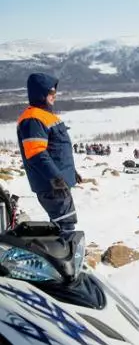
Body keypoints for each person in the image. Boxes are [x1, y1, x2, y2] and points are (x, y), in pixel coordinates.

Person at [16, 73, 82, 234]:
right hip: (50, 185)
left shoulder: (45, 115)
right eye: (50, 93)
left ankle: (64, 254)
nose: (54, 96)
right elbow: (36, 153)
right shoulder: (33, 119)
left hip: (57, 183)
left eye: (55, 92)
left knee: (64, 222)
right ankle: (64, 256)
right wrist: (56, 177)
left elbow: (57, 150)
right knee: (65, 224)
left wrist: (70, 173)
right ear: (40, 93)